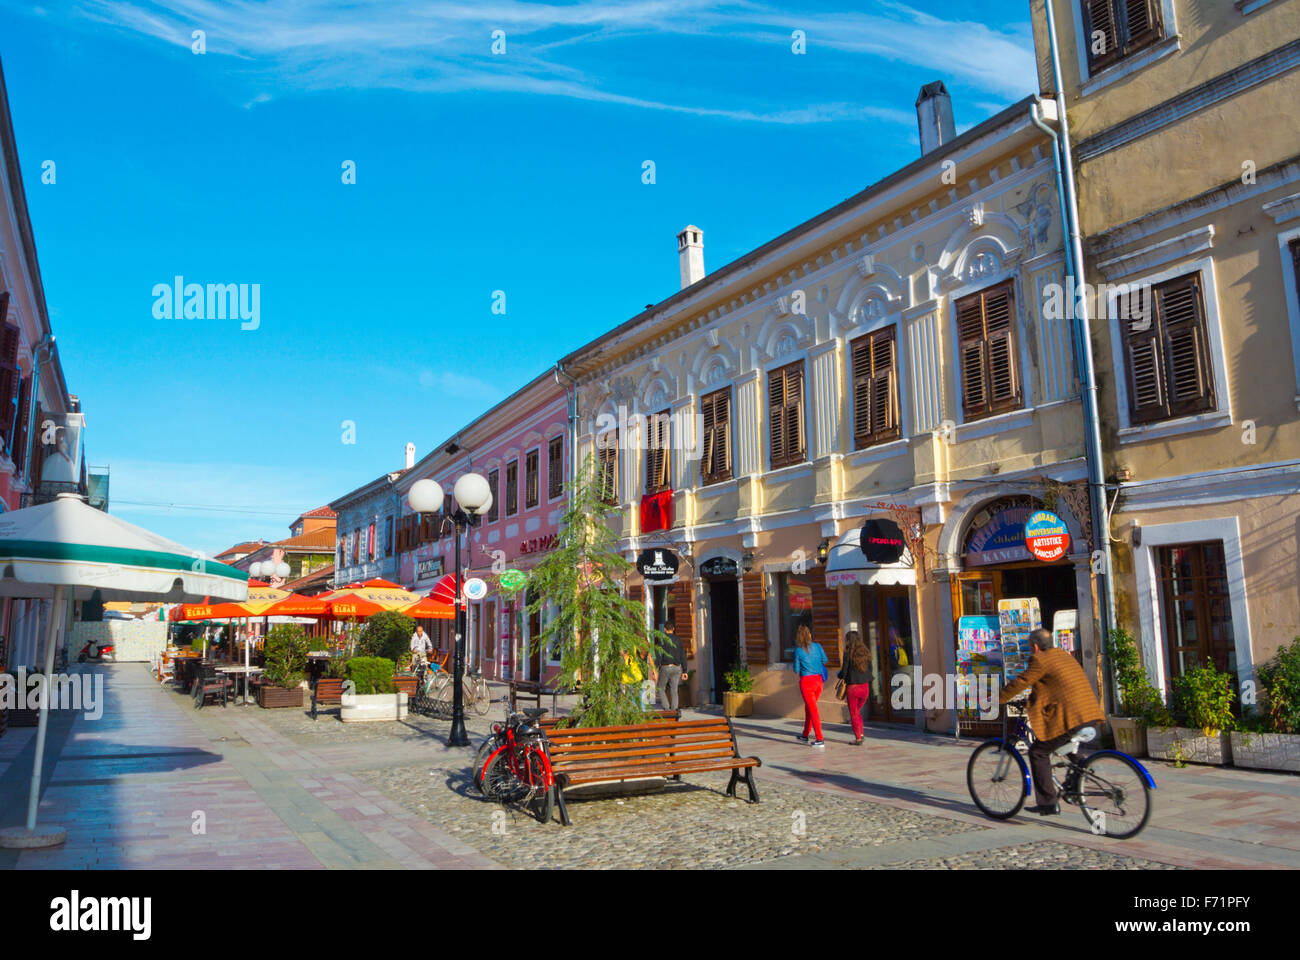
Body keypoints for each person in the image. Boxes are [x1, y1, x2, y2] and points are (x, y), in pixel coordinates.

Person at [998, 627, 1105, 815]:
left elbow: (1022, 681)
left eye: (1031, 647)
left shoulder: (1040, 660)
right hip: (1087, 713)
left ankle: (1047, 803)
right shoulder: (1063, 655)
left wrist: (998, 698)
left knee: (1038, 752)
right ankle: (1080, 773)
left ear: (1036, 647)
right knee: (1061, 744)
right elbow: (1054, 686)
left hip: (1070, 717)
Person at [792, 624, 829, 747]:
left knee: (813, 710)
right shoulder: (818, 646)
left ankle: (820, 739)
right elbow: (825, 660)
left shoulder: (798, 650)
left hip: (806, 682)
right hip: (819, 681)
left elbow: (796, 670)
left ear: (799, 637)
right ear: (809, 635)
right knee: (809, 708)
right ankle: (805, 734)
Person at [837, 630, 872, 745]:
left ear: (848, 640)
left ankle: (858, 738)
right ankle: (861, 734)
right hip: (865, 687)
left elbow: (844, 673)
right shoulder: (866, 652)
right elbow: (870, 669)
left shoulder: (848, 653)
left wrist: (839, 675)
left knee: (854, 713)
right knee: (857, 712)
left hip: (853, 688)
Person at [653, 617, 689, 712]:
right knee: (674, 690)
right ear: (673, 629)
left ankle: (666, 708)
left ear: (664, 629)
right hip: (677, 668)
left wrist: (655, 669)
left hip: (665, 667)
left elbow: (659, 655)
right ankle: (674, 710)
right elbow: (683, 656)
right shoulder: (679, 640)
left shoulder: (662, 640)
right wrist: (685, 671)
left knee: (661, 688)